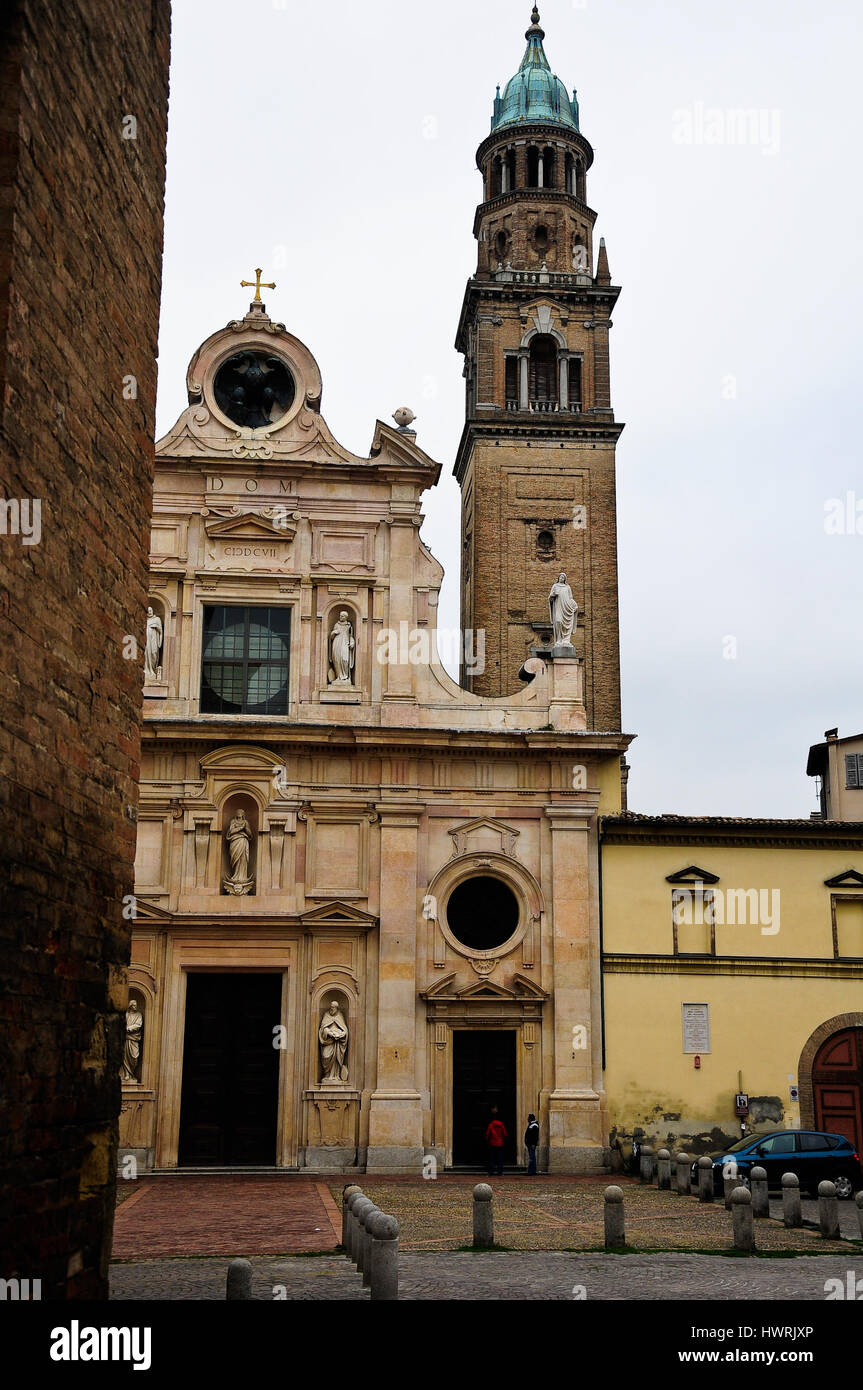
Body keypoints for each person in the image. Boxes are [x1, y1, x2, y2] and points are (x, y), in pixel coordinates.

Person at [485, 1106, 507, 1177]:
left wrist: (487, 1140)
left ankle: (491, 1172)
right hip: (500, 1143)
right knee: (500, 1159)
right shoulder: (501, 1125)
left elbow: (488, 1134)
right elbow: (505, 1134)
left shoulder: (491, 1125)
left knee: (492, 1159)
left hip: (492, 1143)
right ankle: (500, 1172)